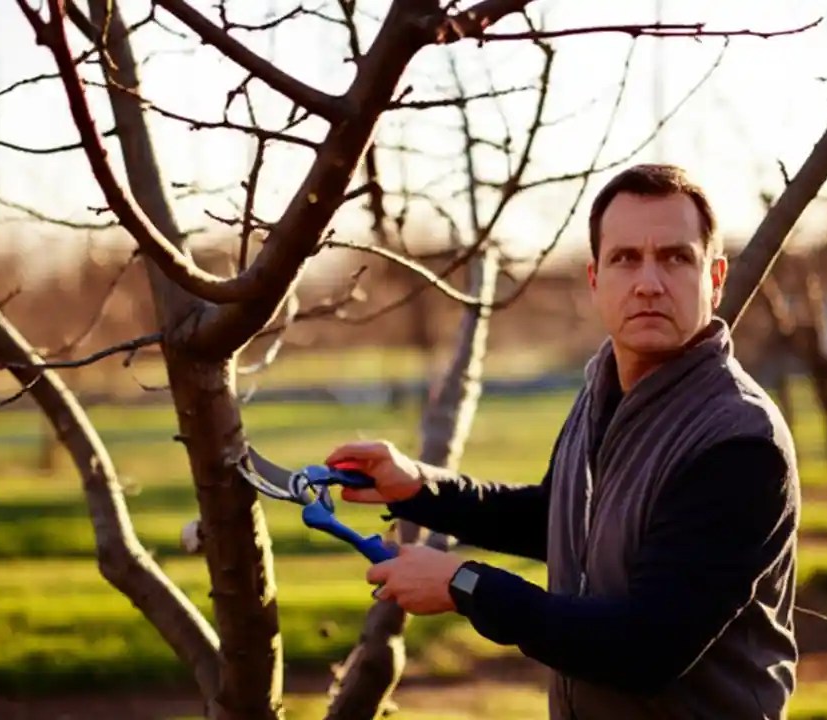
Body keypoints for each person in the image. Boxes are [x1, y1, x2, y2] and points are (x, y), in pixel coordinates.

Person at [326, 163, 801, 719]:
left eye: (675, 257)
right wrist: (417, 488)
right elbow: (557, 517)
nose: (649, 281)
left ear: (714, 278)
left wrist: (464, 585)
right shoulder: (605, 392)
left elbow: (647, 648)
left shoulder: (739, 444)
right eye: (626, 258)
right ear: (595, 279)